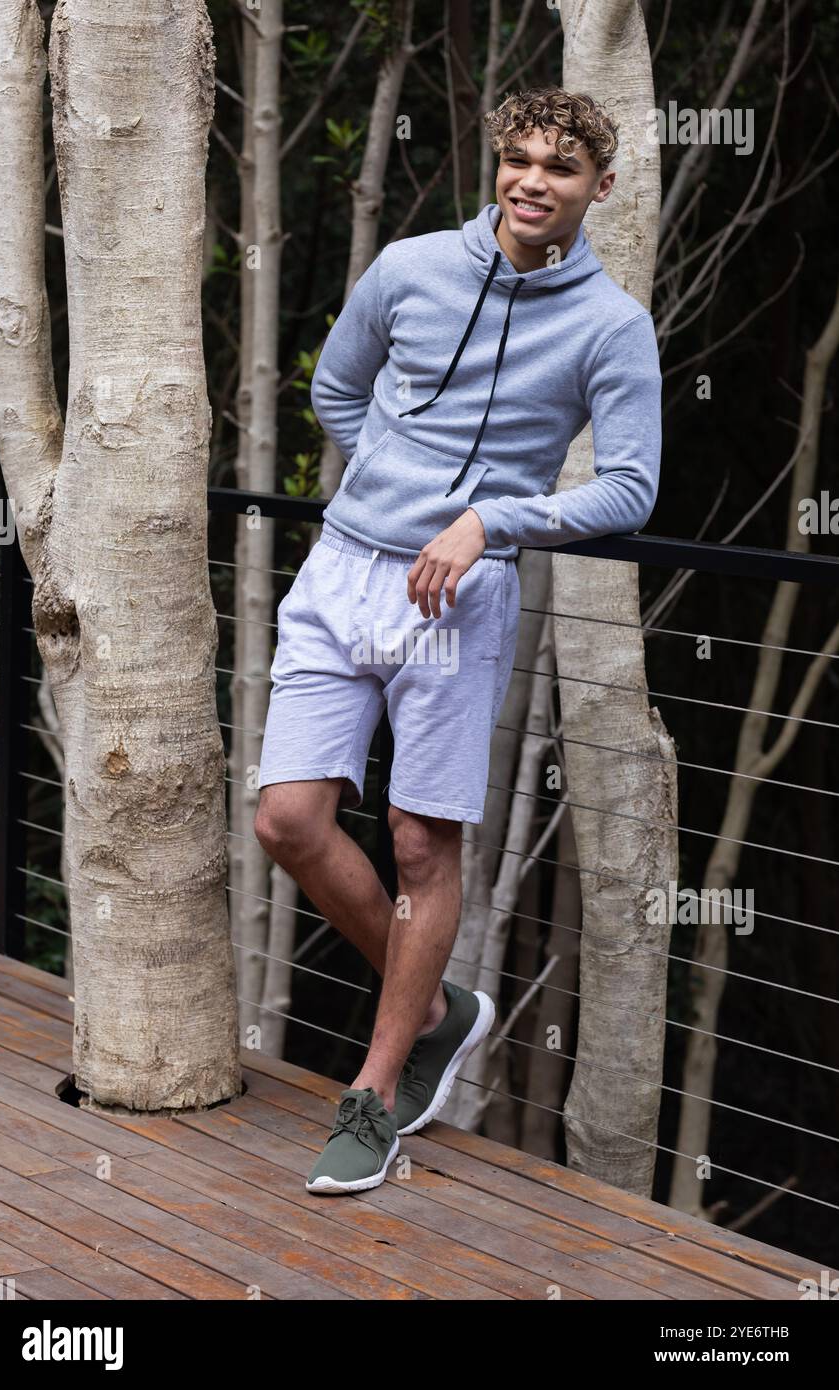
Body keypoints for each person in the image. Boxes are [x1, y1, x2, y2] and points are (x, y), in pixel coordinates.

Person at [254, 85, 663, 1195]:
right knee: (289, 816)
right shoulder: (409, 267)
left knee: (423, 846)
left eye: (562, 168)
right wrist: (398, 485)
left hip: (461, 596)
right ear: (498, 164)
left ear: (600, 189)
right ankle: (436, 1004)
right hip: (343, 571)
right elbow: (338, 389)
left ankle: (376, 1094)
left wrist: (489, 519)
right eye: (520, 159)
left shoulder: (612, 326)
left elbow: (630, 486)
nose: (535, 181)